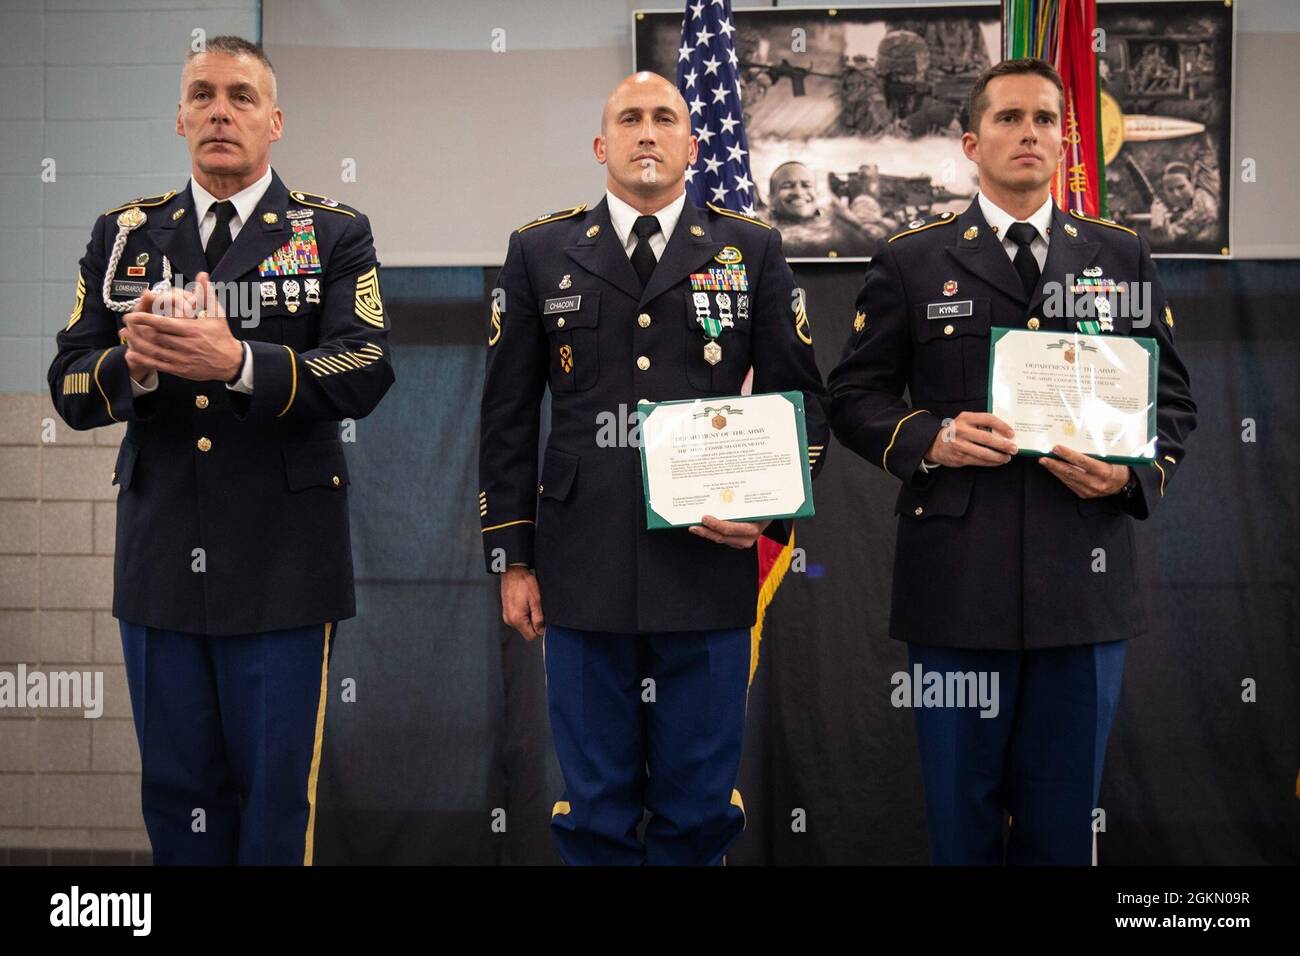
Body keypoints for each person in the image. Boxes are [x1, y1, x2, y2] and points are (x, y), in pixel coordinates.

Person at [828, 58, 1196, 864]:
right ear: (970, 140)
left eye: (1043, 120)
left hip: (1082, 580)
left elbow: (1172, 406)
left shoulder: (1121, 255)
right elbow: (853, 398)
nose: (1028, 132)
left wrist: (1129, 476)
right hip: (957, 583)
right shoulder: (910, 261)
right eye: (1007, 118)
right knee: (961, 824)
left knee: (1064, 828)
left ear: (1064, 145)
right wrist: (933, 438)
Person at [46, 36, 394, 865]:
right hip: (163, 558)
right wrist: (128, 366)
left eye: (240, 97)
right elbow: (65, 382)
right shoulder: (125, 234)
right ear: (178, 118)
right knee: (177, 798)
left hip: (283, 566)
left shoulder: (332, 232)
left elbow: (368, 366)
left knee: (272, 804)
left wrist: (238, 363)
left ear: (274, 121)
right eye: (202, 95)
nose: (219, 111)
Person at [478, 71, 830, 865]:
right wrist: (513, 559)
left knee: (698, 805)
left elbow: (801, 401)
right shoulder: (540, 251)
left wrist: (769, 515)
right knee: (592, 806)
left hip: (708, 564)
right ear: (602, 145)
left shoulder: (751, 248)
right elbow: (504, 418)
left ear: (691, 144)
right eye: (629, 118)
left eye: (664, 117)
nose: (647, 131)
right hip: (579, 563)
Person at [1151, 161, 1217, 244]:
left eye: (1181, 187)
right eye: (1170, 190)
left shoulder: (1203, 200)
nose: (1176, 194)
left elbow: (1171, 239)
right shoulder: (1182, 208)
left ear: (1192, 183)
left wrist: (1159, 224)